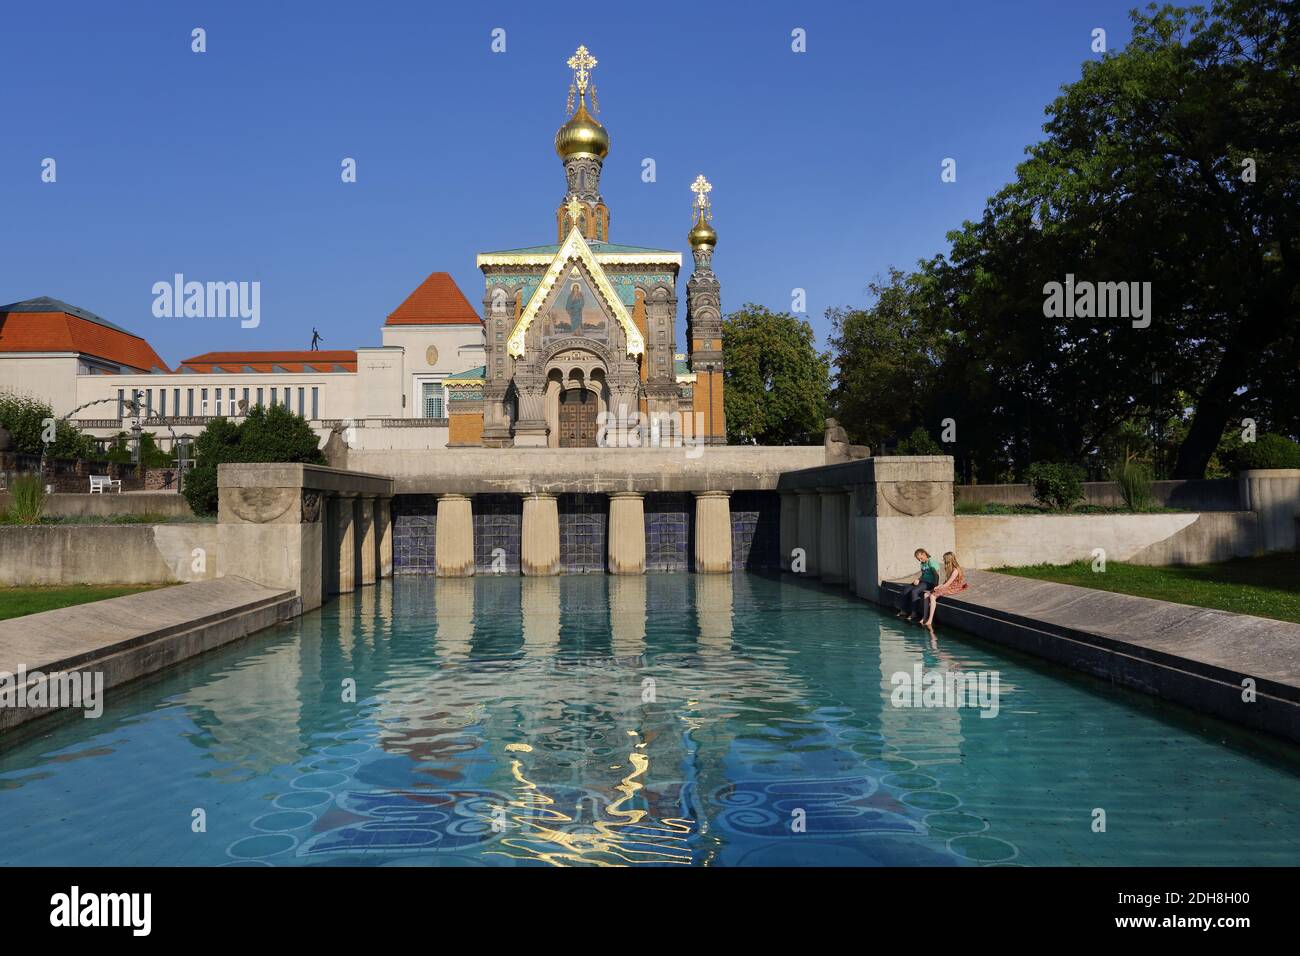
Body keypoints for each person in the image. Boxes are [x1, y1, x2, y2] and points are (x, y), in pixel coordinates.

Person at [922, 552, 968, 627]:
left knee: (932, 596)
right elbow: (946, 582)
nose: (943, 561)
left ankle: (930, 620)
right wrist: (939, 586)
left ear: (948, 560)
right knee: (925, 594)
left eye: (944, 559)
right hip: (948, 586)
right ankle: (924, 617)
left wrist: (939, 587)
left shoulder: (955, 570)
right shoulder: (949, 568)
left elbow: (947, 584)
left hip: (954, 588)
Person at [896, 548, 941, 622]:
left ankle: (914, 613)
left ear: (924, 554)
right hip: (923, 581)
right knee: (906, 588)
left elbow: (936, 575)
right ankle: (903, 610)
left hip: (929, 583)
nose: (920, 560)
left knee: (914, 591)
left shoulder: (931, 562)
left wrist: (935, 586)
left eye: (920, 558)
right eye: (918, 559)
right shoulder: (922, 563)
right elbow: (924, 574)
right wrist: (918, 579)